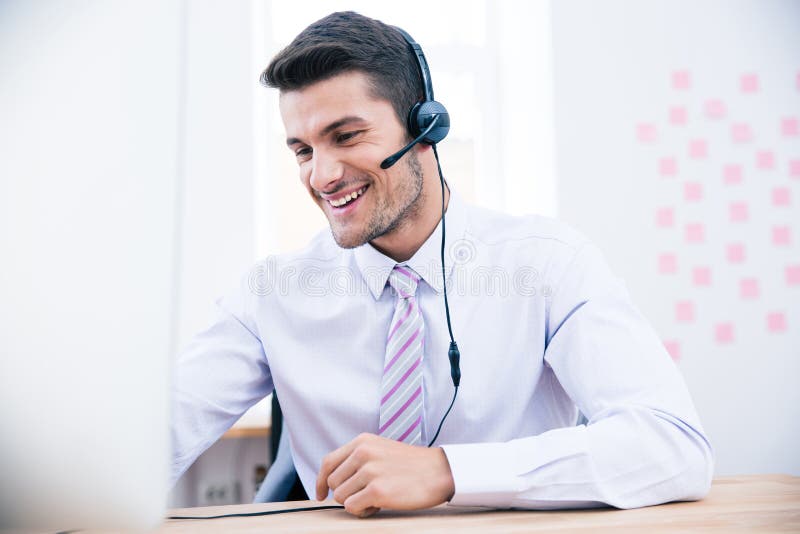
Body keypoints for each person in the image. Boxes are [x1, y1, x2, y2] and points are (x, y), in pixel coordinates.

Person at [171, 11, 713, 518]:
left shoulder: (547, 265)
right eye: (303, 150)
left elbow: (672, 445)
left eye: (346, 136)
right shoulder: (271, 294)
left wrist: (449, 471)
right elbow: (160, 430)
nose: (321, 176)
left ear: (425, 126)